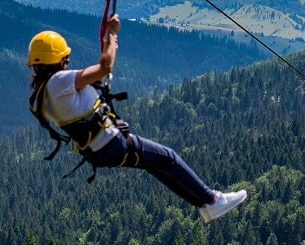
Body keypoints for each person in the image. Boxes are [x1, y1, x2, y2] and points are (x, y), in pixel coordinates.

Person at [27, 14, 246, 223]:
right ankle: (212, 200)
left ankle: (205, 204)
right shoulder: (59, 82)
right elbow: (104, 68)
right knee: (168, 157)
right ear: (60, 58)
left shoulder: (44, 94)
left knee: (159, 164)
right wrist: (112, 35)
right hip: (113, 143)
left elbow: (90, 82)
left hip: (99, 151)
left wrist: (107, 50)